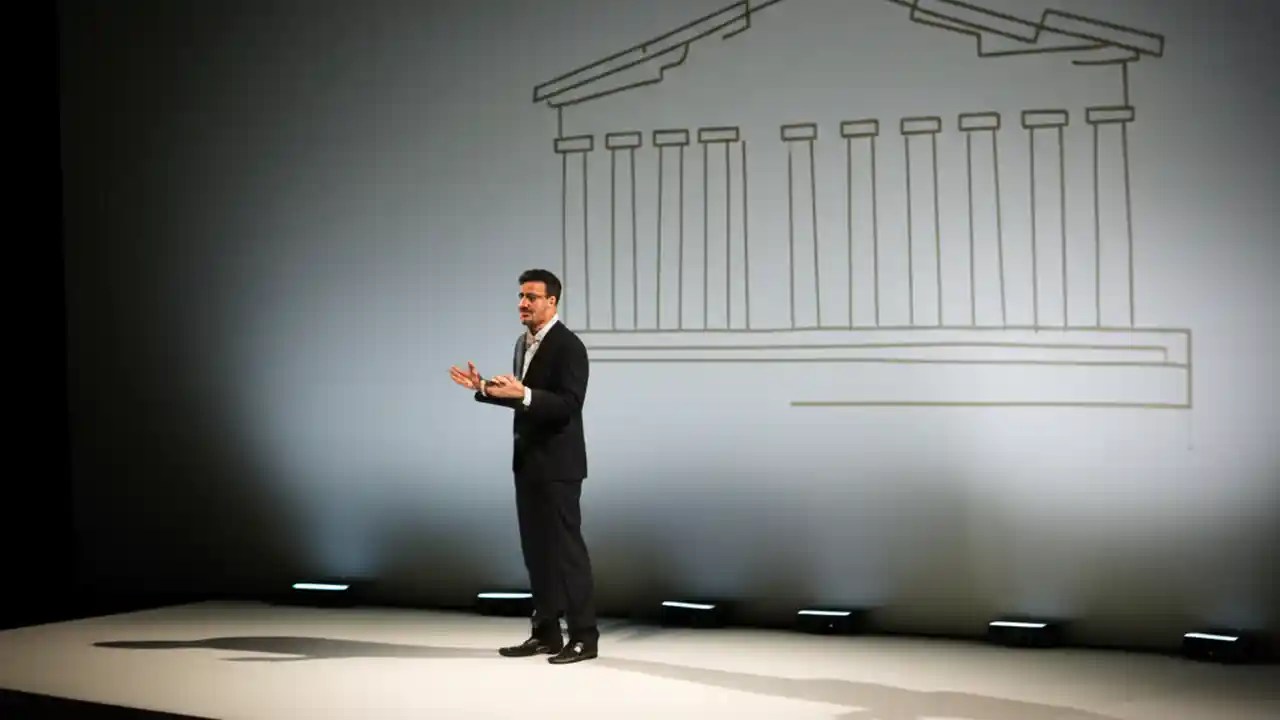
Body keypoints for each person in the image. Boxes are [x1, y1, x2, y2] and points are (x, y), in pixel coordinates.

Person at [448, 268, 598, 664]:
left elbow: (568, 404)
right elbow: (522, 399)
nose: (523, 303)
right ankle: (546, 631)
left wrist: (525, 393)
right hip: (528, 463)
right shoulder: (522, 343)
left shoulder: (570, 346)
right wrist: (484, 389)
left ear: (552, 301)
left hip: (559, 465)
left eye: (532, 297)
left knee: (567, 552)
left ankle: (584, 636)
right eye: (520, 296)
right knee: (536, 552)